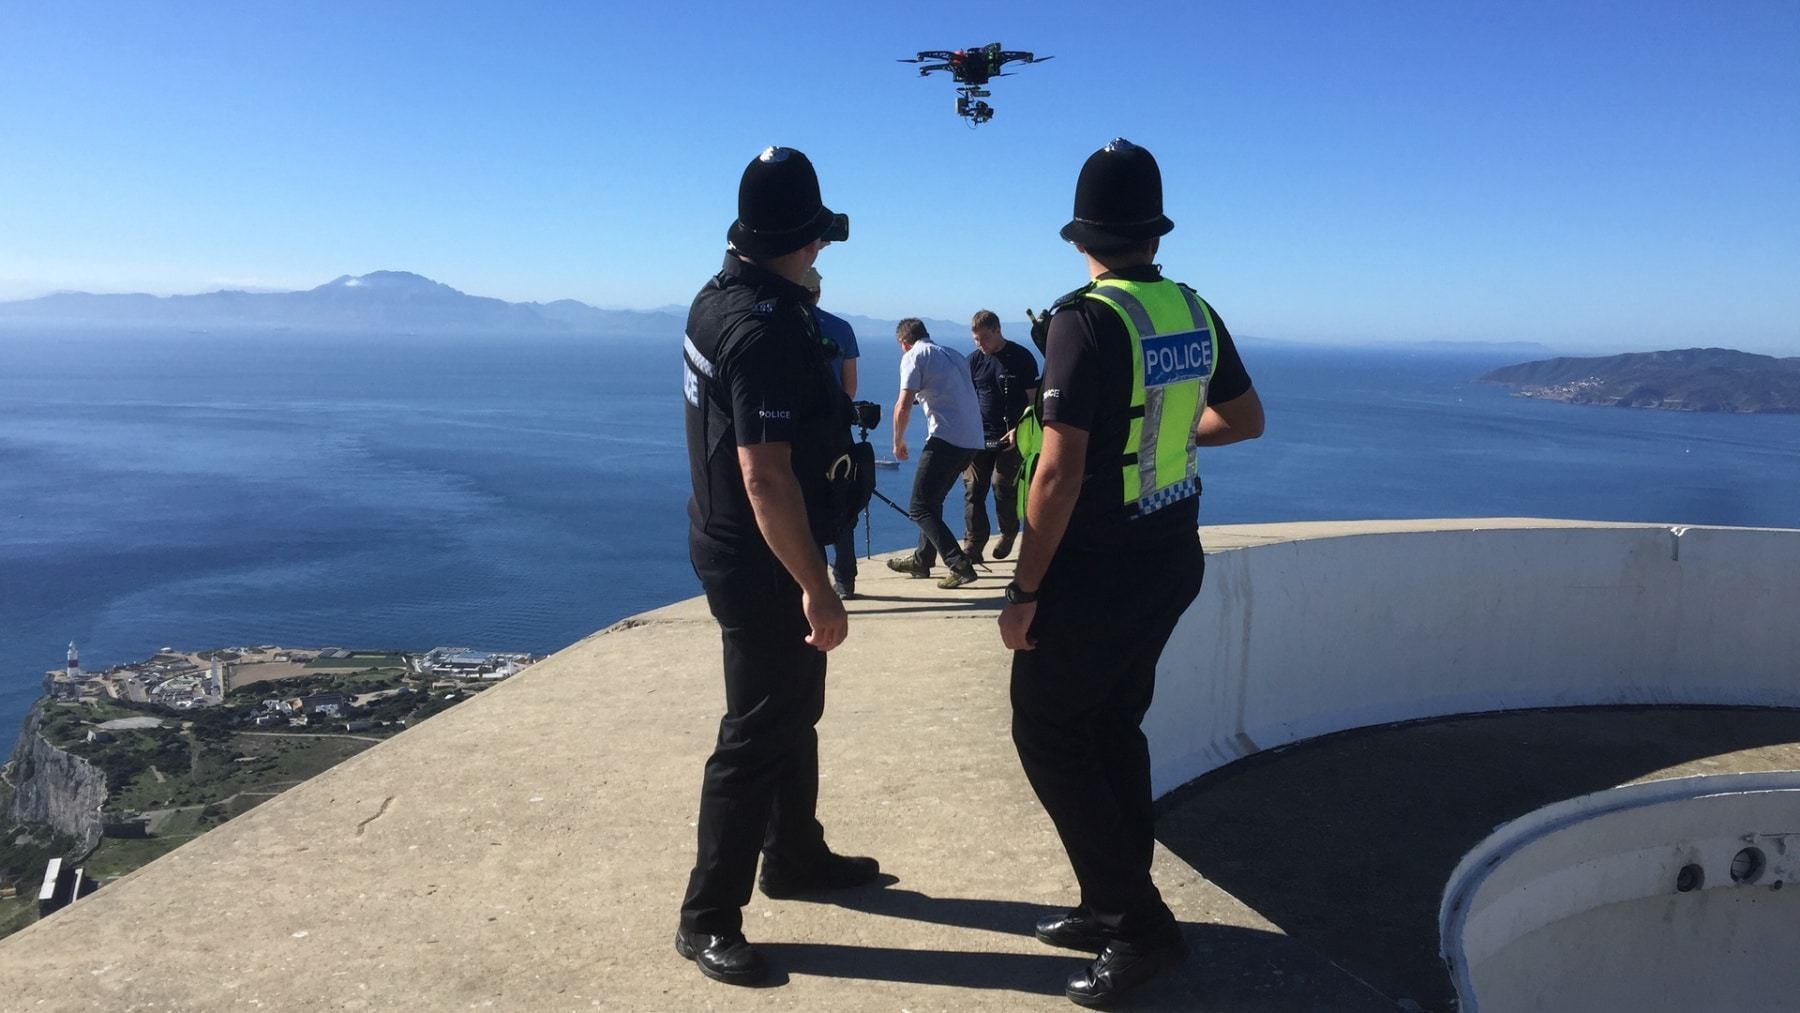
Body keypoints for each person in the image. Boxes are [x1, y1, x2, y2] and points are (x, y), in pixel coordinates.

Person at [1000, 139, 1265, 1008]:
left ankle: (1142, 926)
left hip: (1096, 572)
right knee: (1113, 728)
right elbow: (1245, 418)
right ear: (1152, 230)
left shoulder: (1081, 319)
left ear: (1082, 234)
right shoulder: (1190, 306)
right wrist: (1165, 442)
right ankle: (1107, 901)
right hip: (1170, 554)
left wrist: (1025, 588)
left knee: (1046, 733)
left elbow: (1058, 471)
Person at [676, 146, 879, 987]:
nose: (823, 253)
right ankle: (707, 917)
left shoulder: (718, 301)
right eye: (817, 240)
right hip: (762, 558)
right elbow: (764, 475)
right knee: (757, 729)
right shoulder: (761, 330)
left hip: (734, 540)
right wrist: (816, 585)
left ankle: (795, 853)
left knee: (795, 705)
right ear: (798, 241)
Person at [886, 318, 986, 589]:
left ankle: (959, 564)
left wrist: (898, 442)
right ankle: (922, 559)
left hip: (947, 438)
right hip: (972, 440)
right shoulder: (952, 354)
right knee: (933, 501)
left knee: (919, 507)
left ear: (903, 343)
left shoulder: (913, 355)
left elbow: (903, 406)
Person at [800, 266, 862, 599]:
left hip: (794, 432)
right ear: (819, 292)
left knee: (798, 504)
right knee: (839, 500)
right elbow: (850, 387)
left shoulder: (781, 326)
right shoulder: (841, 328)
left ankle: (810, 582)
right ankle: (845, 579)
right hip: (835, 430)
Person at [961, 309, 1039, 564]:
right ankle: (973, 545)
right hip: (979, 436)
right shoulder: (973, 361)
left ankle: (1007, 532)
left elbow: (1033, 401)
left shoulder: (1021, 358)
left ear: (997, 330)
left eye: (983, 337)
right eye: (975, 339)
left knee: (1002, 485)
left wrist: (1021, 429)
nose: (979, 344)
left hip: (1013, 437)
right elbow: (966, 399)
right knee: (973, 489)